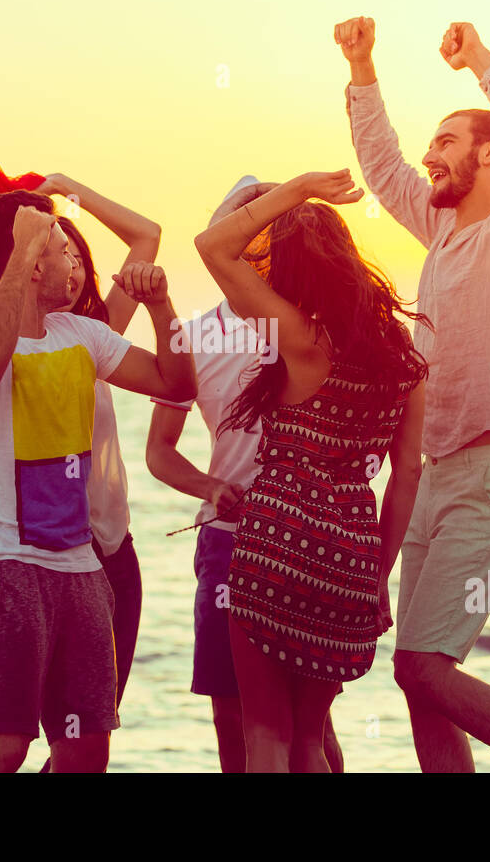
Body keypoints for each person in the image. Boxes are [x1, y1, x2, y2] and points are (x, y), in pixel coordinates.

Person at [335, 16, 490, 772]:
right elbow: (381, 166)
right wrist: (364, 67)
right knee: (420, 678)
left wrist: (479, 63)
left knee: (424, 666)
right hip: (431, 480)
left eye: (445, 141)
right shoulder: (440, 232)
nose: (427, 154)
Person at [0, 191, 195, 773]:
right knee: (5, 748)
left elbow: (175, 385)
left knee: (84, 753)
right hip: (5, 563)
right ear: (30, 262)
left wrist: (161, 307)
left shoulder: (83, 334)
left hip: (82, 569)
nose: (74, 262)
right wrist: (26, 238)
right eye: (59, 249)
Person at [195, 170, 428, 772]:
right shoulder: (404, 356)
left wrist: (300, 187)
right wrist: (377, 575)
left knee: (265, 734)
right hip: (349, 550)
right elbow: (406, 478)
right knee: (308, 737)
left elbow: (211, 244)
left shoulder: (296, 335)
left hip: (278, 539)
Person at [0, 78, 158, 730]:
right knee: (25, 734)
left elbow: (147, 238)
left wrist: (74, 190)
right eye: (51, 248)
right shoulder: (9, 331)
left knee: (90, 730)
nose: (61, 258)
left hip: (108, 551)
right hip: (43, 550)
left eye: (68, 251)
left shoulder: (96, 332)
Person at [146, 176, 343, 773]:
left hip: (305, 540)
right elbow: (160, 450)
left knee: (309, 722)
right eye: (241, 217)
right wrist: (209, 488)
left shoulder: (309, 322)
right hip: (227, 542)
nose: (254, 230)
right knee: (233, 715)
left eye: (266, 218)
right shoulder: (194, 335)